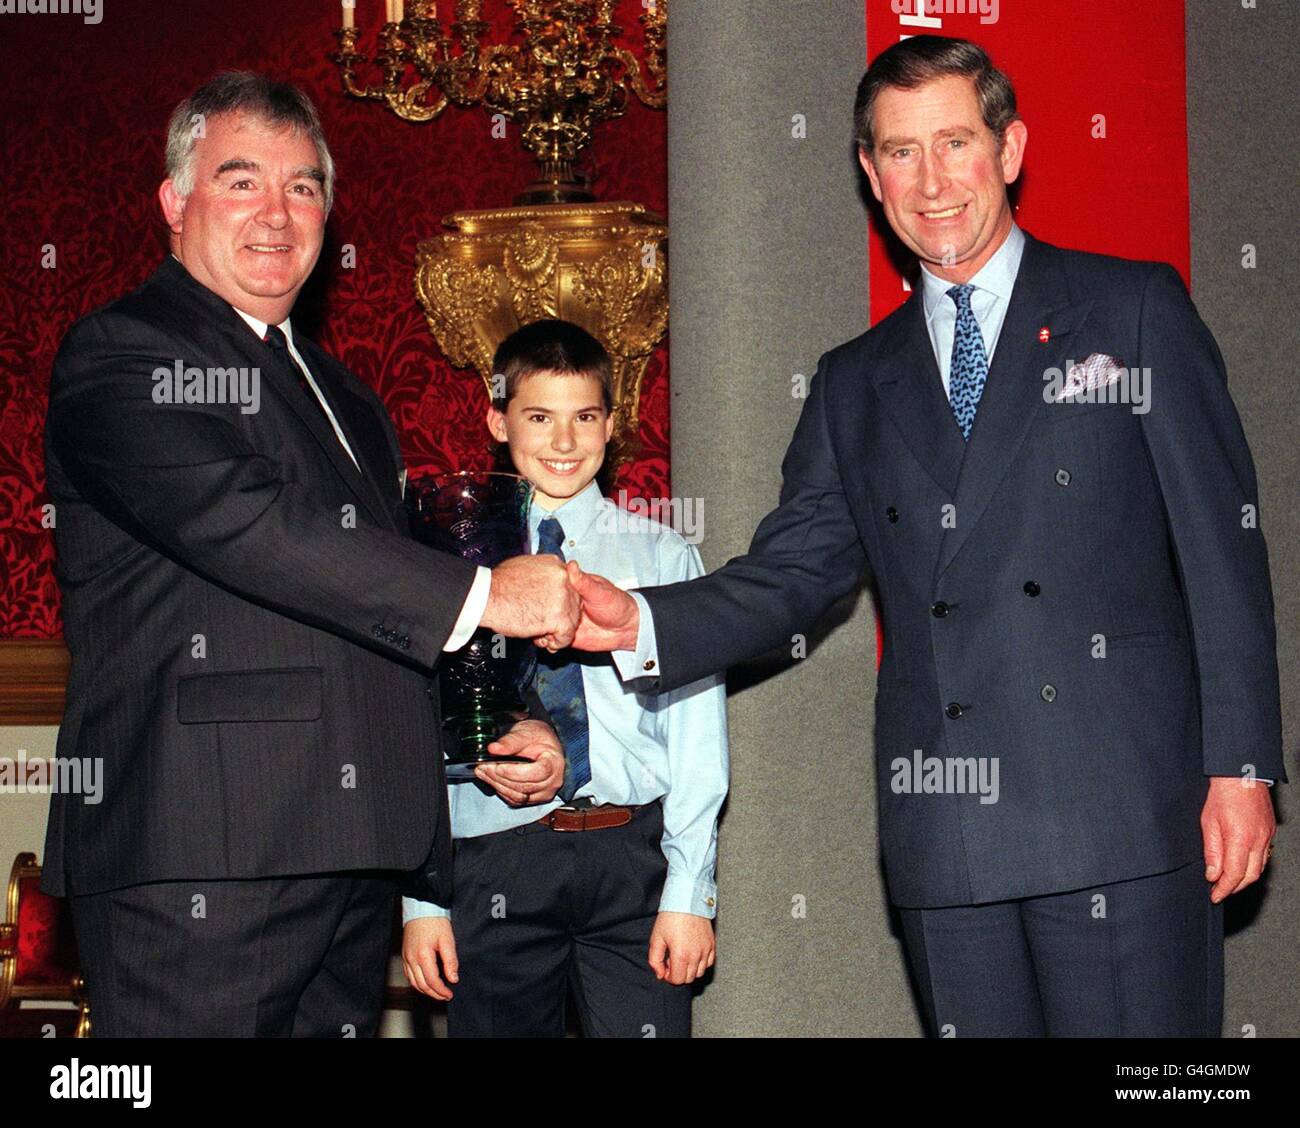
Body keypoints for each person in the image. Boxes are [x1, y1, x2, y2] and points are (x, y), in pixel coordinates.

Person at [572, 36, 1284, 1037]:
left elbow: (1225, 554)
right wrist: (641, 618)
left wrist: (1242, 767)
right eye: (900, 153)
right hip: (948, 840)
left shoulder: (1130, 310)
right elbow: (792, 571)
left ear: (1012, 148)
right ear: (870, 174)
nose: (932, 180)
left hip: (1123, 815)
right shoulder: (855, 380)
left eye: (954, 142)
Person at [42, 72, 578, 1037]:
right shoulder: (123, 353)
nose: (277, 215)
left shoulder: (347, 398)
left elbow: (371, 594)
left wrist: (498, 724)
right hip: (202, 857)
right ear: (176, 201)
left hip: (353, 846)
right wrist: (492, 593)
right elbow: (247, 524)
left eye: (304, 187)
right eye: (241, 180)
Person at [401, 320, 729, 1037]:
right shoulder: (453, 563)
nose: (563, 442)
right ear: (497, 420)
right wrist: (424, 901)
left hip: (631, 860)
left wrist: (688, 890)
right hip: (495, 861)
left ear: (612, 426)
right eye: (539, 417)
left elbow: (698, 735)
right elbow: (417, 728)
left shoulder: (665, 555)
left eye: (584, 418)